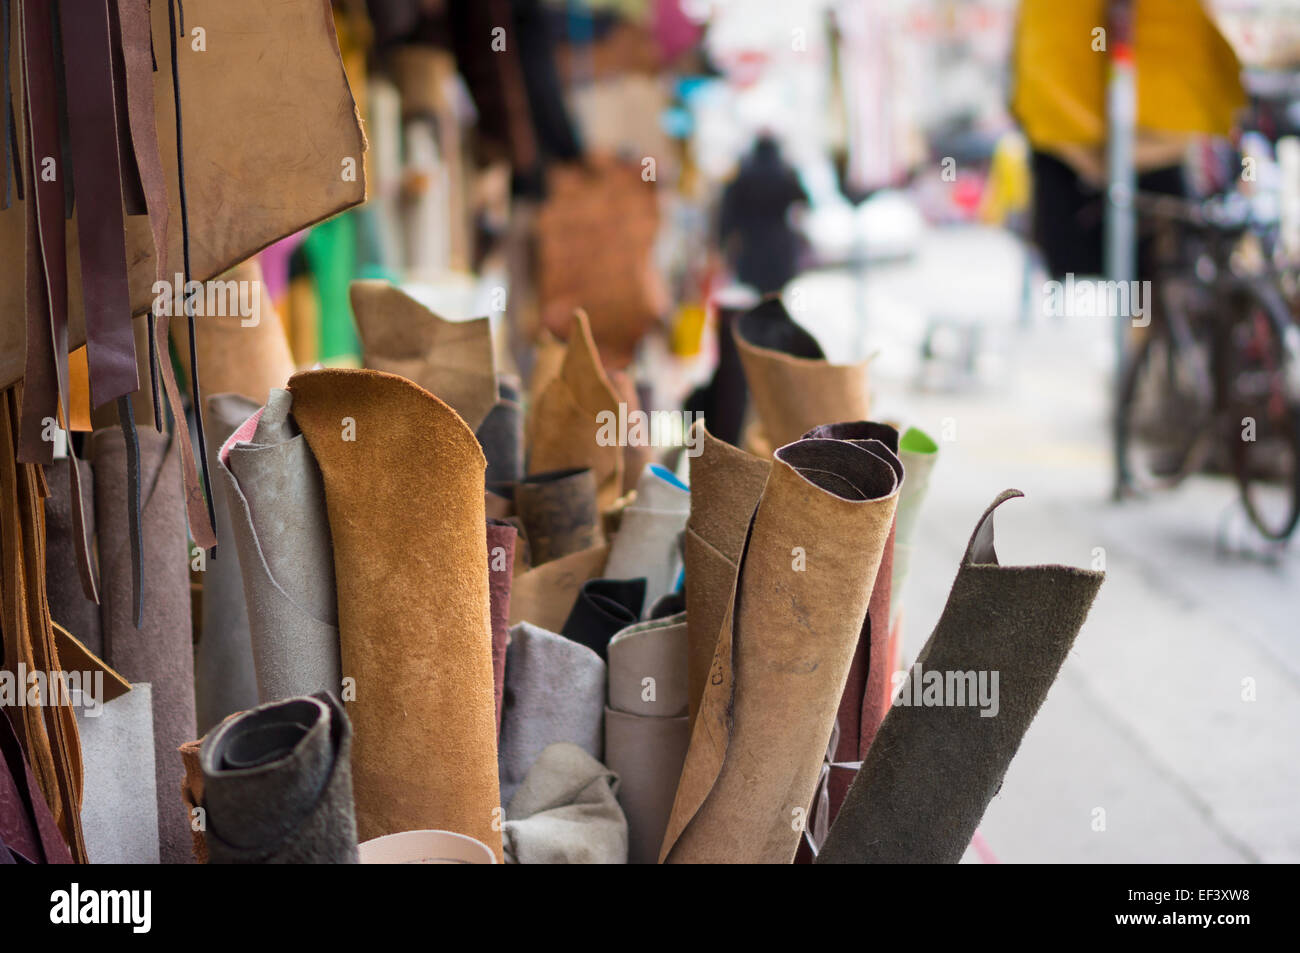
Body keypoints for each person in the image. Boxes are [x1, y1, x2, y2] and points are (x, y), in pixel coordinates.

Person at [717, 134, 809, 295]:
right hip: (780, 247)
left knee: (756, 300)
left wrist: (723, 243)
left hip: (752, 247)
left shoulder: (743, 176)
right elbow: (805, 201)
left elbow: (727, 215)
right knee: (779, 298)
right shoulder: (785, 173)